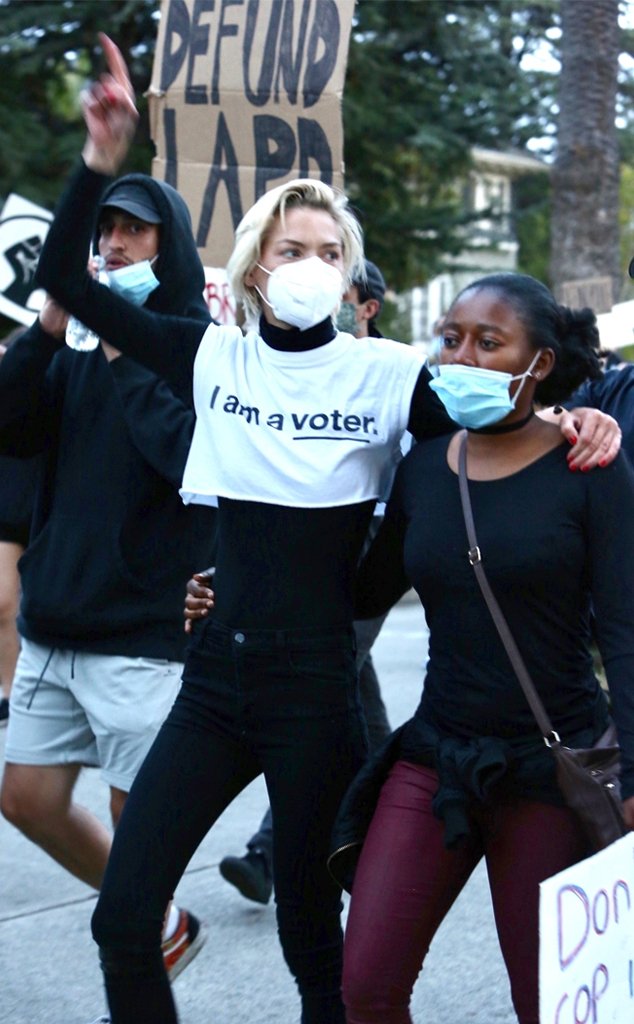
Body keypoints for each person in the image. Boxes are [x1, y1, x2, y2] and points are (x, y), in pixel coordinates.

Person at [35, 38, 620, 1024]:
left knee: (318, 947)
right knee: (122, 916)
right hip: (214, 683)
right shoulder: (207, 356)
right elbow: (66, 276)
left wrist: (585, 415)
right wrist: (99, 157)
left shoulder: (386, 372)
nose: (311, 265)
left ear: (349, 271)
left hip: (319, 693)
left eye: (329, 250)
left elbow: (514, 400)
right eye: (291, 247)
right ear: (255, 263)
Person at [336, 273, 634, 1024]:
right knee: (366, 985)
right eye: (451, 339)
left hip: (551, 770)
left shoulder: (589, 468)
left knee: (553, 1008)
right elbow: (360, 593)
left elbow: (629, 631)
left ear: (538, 364)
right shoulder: (423, 468)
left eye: (488, 342)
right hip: (435, 757)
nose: (461, 357)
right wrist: (226, 577)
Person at [0, 51, 216, 982]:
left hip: (144, 634)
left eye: (135, 233)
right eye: (107, 232)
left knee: (143, 829)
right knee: (28, 801)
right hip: (56, 625)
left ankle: (136, 945)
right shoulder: (70, 342)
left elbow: (183, 461)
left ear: (169, 252)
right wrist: (47, 332)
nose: (116, 246)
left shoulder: (191, 350)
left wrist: (126, 357)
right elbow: (9, 424)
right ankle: (159, 918)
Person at [185, 260, 394, 906]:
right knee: (362, 711)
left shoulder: (387, 378)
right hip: (293, 588)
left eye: (342, 293)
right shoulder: (272, 372)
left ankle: (273, 850)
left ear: (365, 311)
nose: (318, 298)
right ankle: (386, 815)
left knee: (327, 687)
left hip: (354, 573)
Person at [0, 326, 36, 727]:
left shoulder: (58, 367)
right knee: (2, 602)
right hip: (8, 503)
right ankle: (14, 695)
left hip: (49, 504)